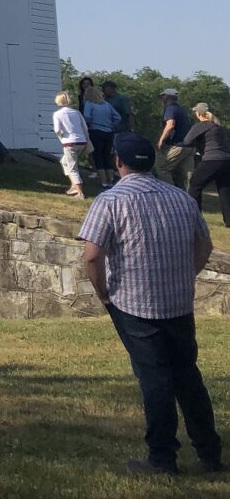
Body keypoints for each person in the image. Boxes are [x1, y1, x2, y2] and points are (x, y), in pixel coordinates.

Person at [78, 132, 223, 477]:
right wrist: (188, 274)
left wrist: (103, 294)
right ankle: (210, 454)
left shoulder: (110, 201)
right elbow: (205, 243)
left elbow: (92, 256)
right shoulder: (180, 198)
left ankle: (162, 458)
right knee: (188, 377)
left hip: (134, 304)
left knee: (155, 380)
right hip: (178, 301)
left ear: (118, 162)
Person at [185, 104, 230, 228]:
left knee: (195, 184)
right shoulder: (217, 126)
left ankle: (194, 217)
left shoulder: (200, 126)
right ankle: (229, 220)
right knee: (224, 190)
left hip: (211, 159)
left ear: (199, 114)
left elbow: (187, 141)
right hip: (226, 160)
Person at [83, 84, 122, 189]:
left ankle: (104, 182)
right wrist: (110, 126)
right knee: (107, 157)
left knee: (98, 156)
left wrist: (89, 124)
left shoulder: (89, 104)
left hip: (96, 131)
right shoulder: (106, 104)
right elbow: (118, 117)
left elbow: (87, 117)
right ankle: (111, 181)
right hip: (108, 133)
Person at [52, 92, 89, 199]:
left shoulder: (57, 114)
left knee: (72, 167)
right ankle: (73, 185)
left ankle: (80, 192)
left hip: (69, 142)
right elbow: (85, 128)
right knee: (64, 162)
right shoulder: (76, 112)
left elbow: (57, 130)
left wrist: (62, 137)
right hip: (82, 141)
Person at [157, 89, 193, 190]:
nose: (161, 99)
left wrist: (161, 140)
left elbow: (170, 125)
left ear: (167, 97)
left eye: (162, 96)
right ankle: (192, 197)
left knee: (162, 168)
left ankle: (170, 193)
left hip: (178, 145)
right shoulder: (181, 109)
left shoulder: (170, 108)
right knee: (188, 175)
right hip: (189, 146)